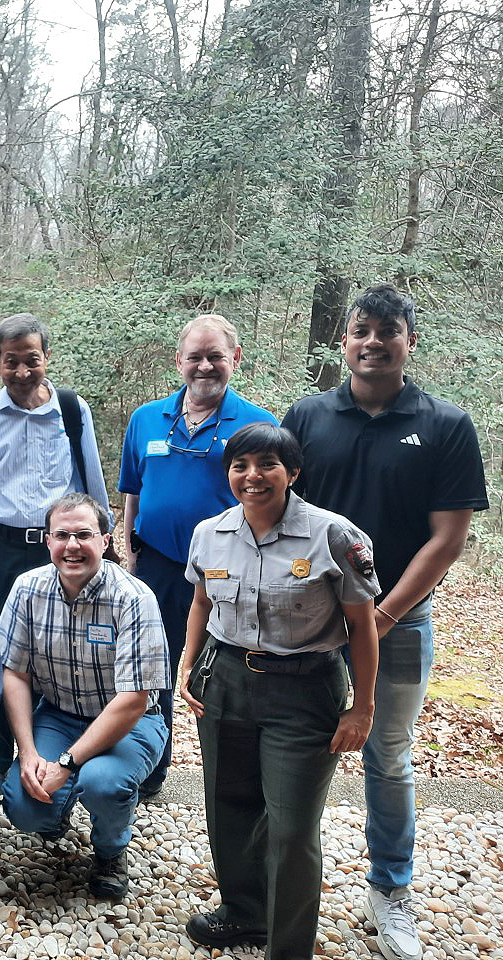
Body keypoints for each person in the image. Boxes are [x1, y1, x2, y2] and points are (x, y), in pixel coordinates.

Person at [281, 283, 488, 960]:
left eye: (387, 332)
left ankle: (391, 889)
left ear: (410, 343)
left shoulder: (447, 424)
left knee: (389, 756)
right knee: (291, 745)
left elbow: (448, 538)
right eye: (361, 330)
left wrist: (383, 614)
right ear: (344, 342)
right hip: (308, 621)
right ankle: (275, 886)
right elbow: (282, 518)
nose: (373, 342)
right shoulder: (307, 417)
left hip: (400, 621)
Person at [179, 423, 380, 960]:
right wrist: (187, 663)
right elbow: (202, 602)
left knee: (292, 828)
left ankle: (288, 949)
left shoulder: (334, 535)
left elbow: (362, 626)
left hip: (304, 690)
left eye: (267, 464)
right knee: (228, 805)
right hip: (226, 683)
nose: (252, 476)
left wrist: (362, 707)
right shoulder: (210, 533)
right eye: (240, 465)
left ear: (292, 473)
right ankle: (245, 914)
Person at [118, 314, 276, 796]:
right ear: (178, 361)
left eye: (215, 357)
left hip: (231, 568)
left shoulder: (258, 424)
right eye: (195, 357)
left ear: (236, 359)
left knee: (225, 669)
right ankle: (151, 767)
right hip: (159, 564)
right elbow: (132, 491)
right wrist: (128, 551)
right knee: (155, 665)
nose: (204, 366)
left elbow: (273, 500)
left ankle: (231, 780)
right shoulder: (147, 418)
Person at [0, 313, 111, 791]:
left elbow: (91, 480)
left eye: (32, 360)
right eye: (10, 362)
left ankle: (57, 751)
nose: (22, 372)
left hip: (61, 547)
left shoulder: (70, 409)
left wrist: (103, 538)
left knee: (61, 645)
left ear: (47, 357)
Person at [0, 492, 168, 899]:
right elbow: (14, 672)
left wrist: (66, 762)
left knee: (103, 783)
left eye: (84, 535)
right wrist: (29, 752)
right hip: (59, 714)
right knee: (23, 801)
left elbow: (133, 700)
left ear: (105, 542)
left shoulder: (134, 598)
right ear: (47, 541)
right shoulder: (27, 589)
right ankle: (53, 816)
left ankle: (111, 851)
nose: (72, 545)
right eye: (62, 535)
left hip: (130, 721)